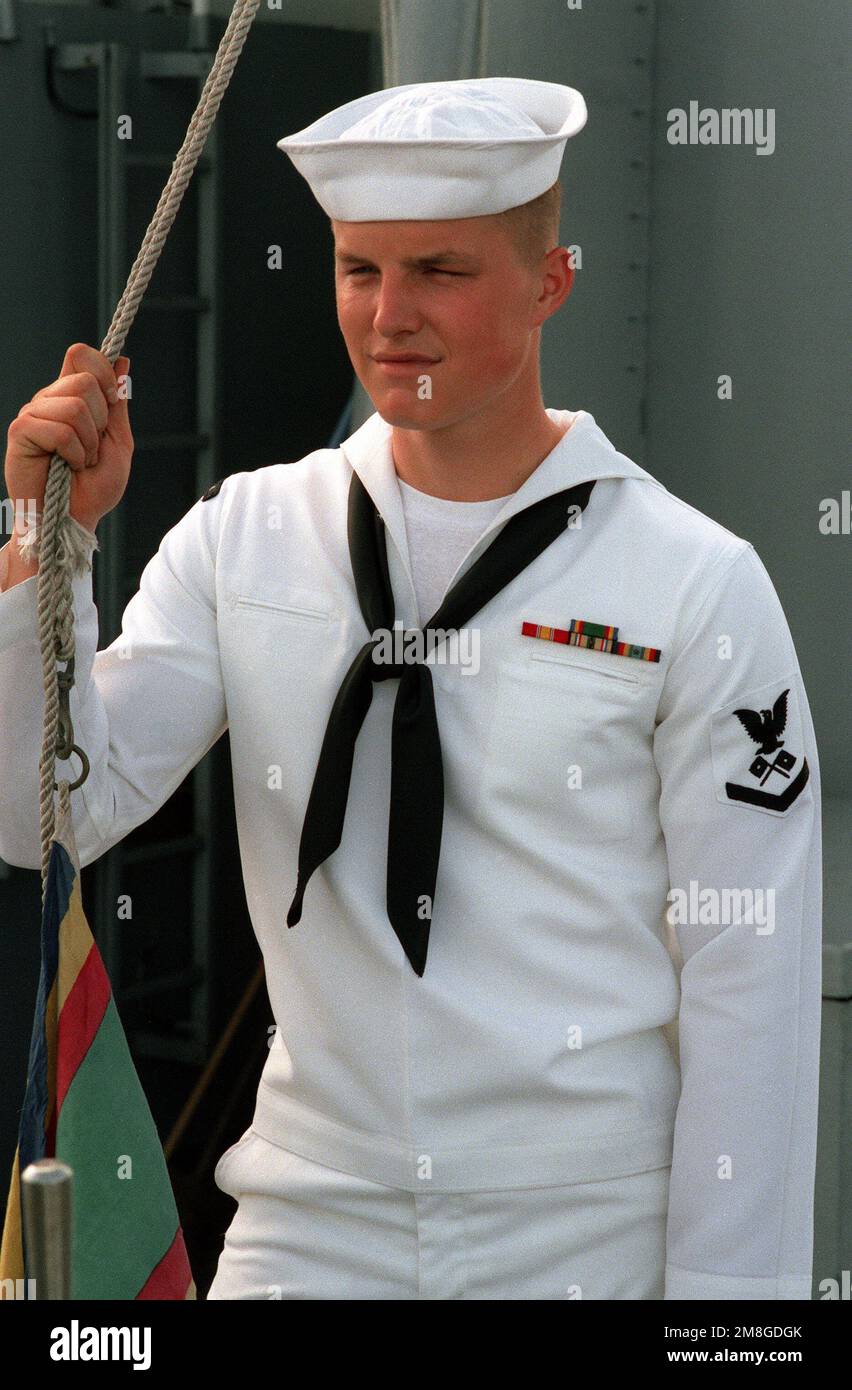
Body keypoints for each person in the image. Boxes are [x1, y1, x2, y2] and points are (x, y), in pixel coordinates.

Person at [0, 78, 821, 1301]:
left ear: (552, 283)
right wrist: (40, 544)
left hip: (584, 1225)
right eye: (357, 270)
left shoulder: (694, 585)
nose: (391, 317)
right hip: (309, 1217)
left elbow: (748, 987)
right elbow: (44, 816)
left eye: (440, 270)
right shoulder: (248, 539)